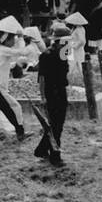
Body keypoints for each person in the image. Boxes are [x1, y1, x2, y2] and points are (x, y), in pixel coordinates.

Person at [35, 23, 70, 165]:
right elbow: (41, 78)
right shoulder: (46, 55)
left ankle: (41, 150)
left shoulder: (64, 52)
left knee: (58, 124)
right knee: (55, 125)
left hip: (61, 90)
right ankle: (55, 155)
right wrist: (42, 96)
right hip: (51, 92)